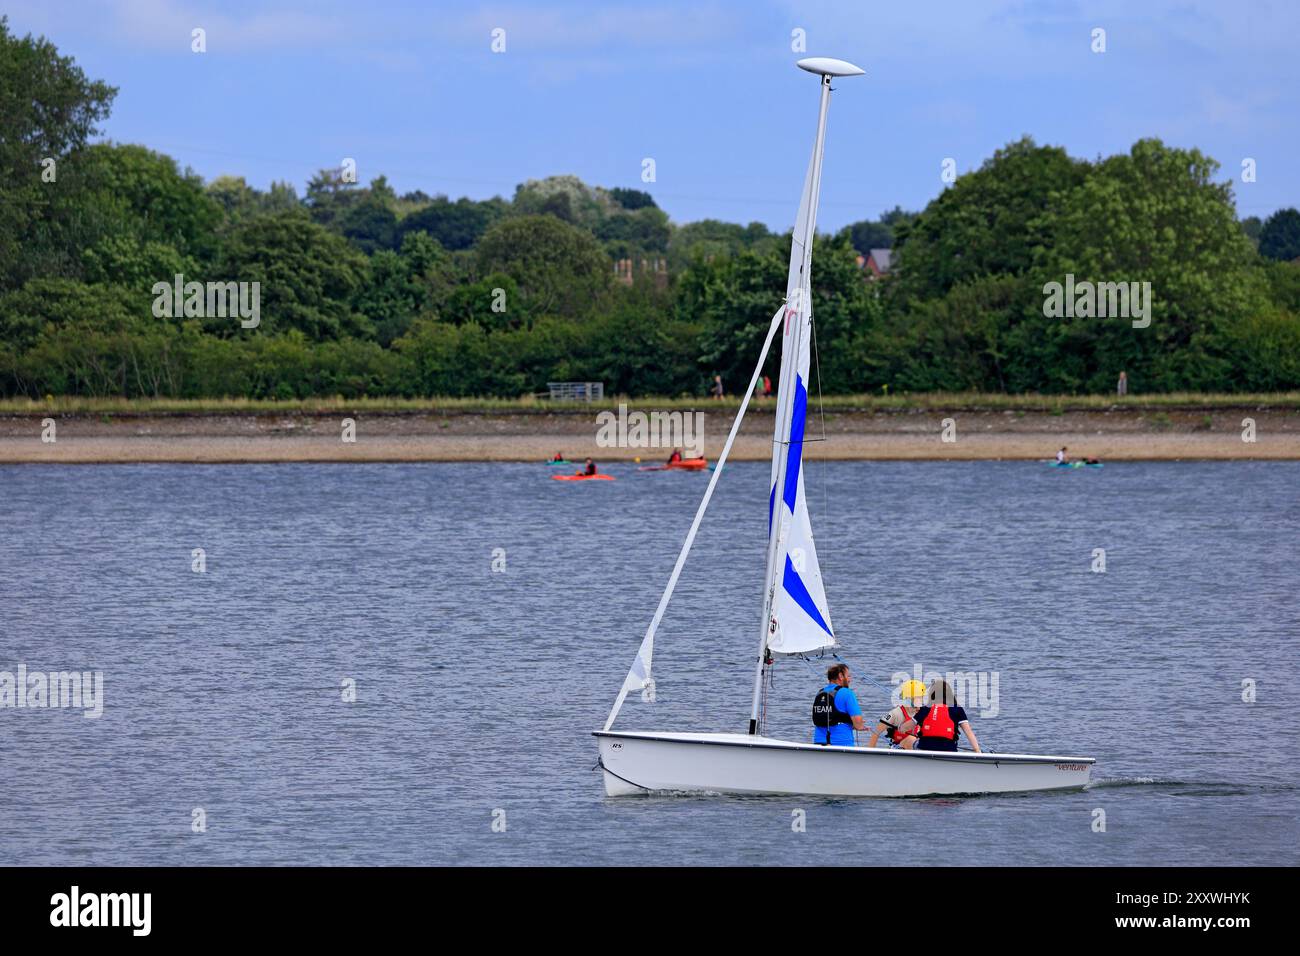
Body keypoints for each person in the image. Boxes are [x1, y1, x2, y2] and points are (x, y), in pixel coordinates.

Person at [911, 678, 981, 753]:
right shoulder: (957, 709)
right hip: (949, 749)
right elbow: (968, 731)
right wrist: (977, 750)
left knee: (914, 742)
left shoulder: (925, 709)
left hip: (924, 748)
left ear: (932, 694)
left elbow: (906, 727)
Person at [811, 663, 866, 746]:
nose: (850, 680)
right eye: (848, 676)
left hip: (819, 742)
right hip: (841, 743)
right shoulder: (847, 693)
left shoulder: (820, 692)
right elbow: (858, 724)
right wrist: (859, 725)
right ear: (840, 676)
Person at [867, 678, 926, 749]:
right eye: (918, 698)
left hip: (917, 748)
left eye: (922, 698)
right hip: (898, 749)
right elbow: (876, 733)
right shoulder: (895, 714)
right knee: (911, 739)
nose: (921, 700)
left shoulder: (923, 713)